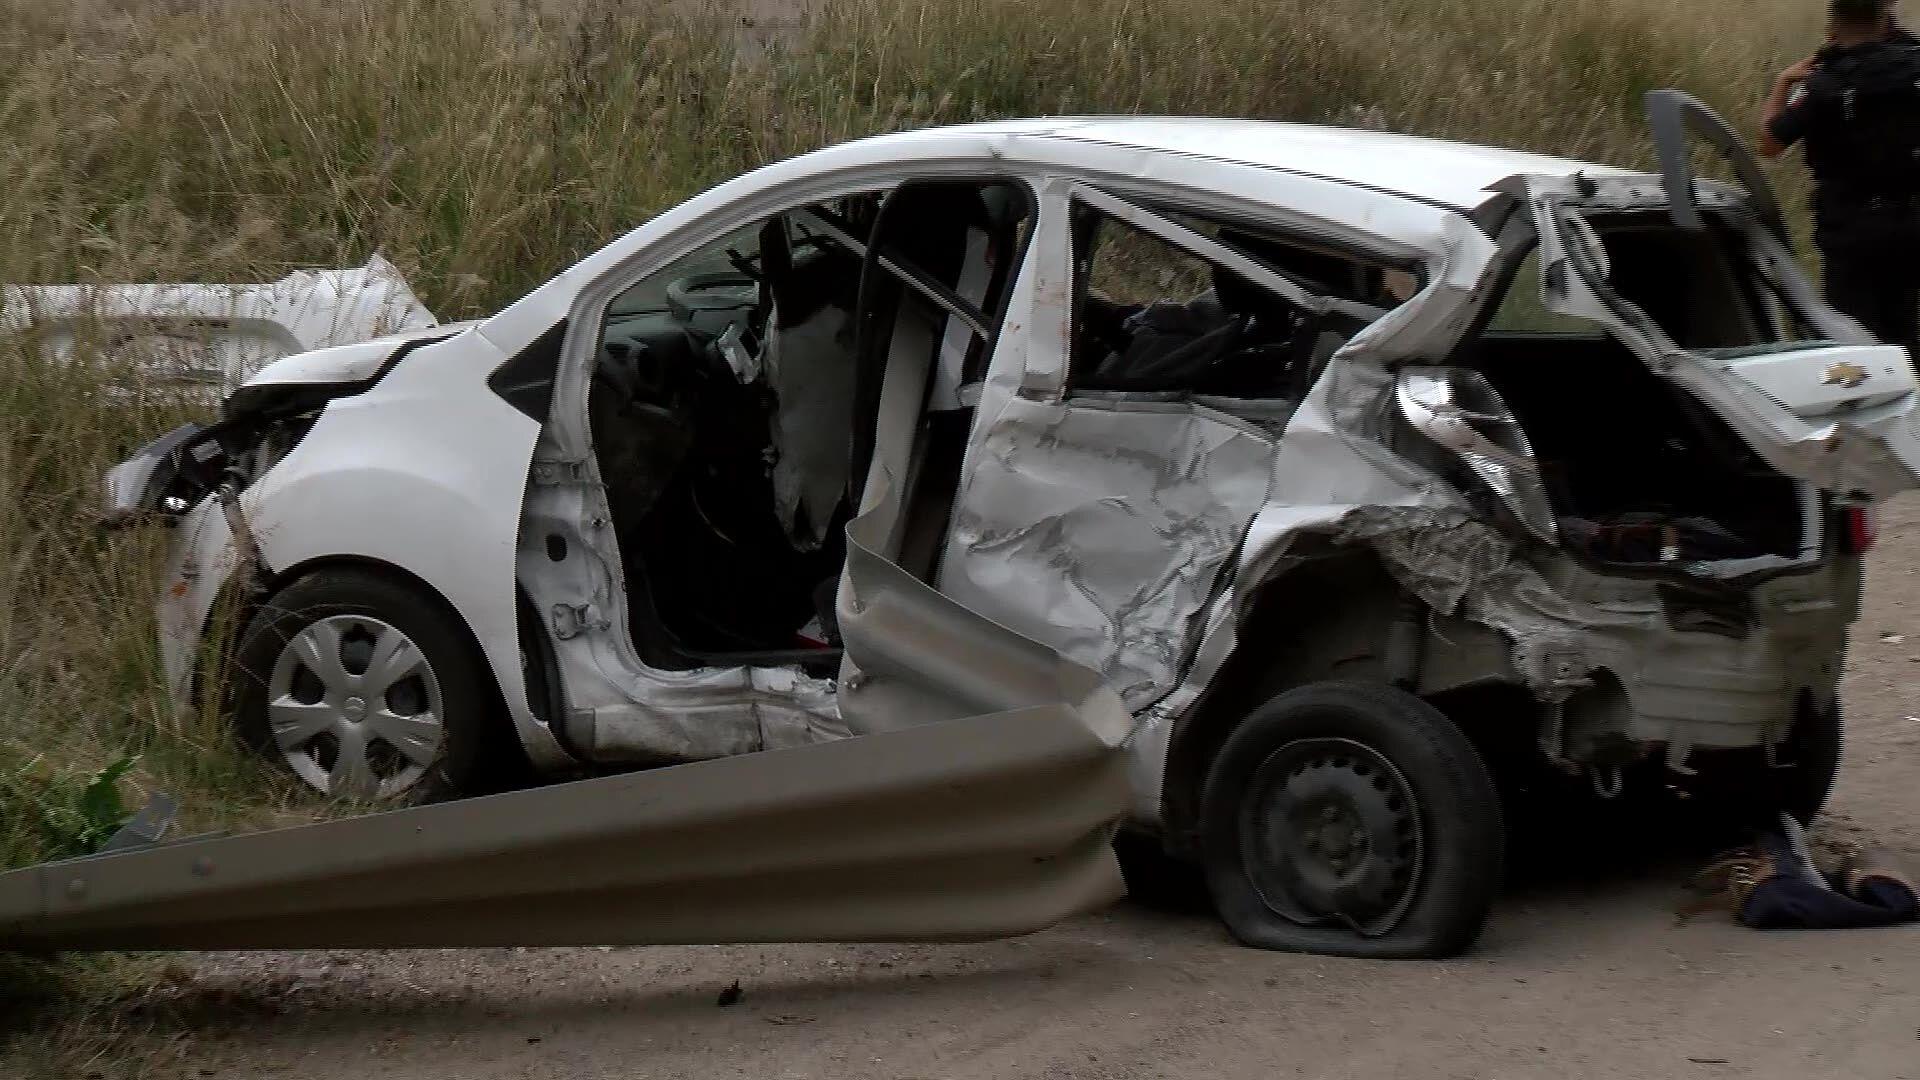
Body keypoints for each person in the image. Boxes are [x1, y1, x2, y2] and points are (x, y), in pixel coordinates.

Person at [1760, 0, 1920, 356]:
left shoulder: (1823, 84)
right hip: (1909, 222)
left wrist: (1783, 82)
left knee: (1851, 338)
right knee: (1904, 329)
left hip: (1849, 228)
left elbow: (1770, 143)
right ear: (1884, 23)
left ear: (1832, 28)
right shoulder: (1913, 68)